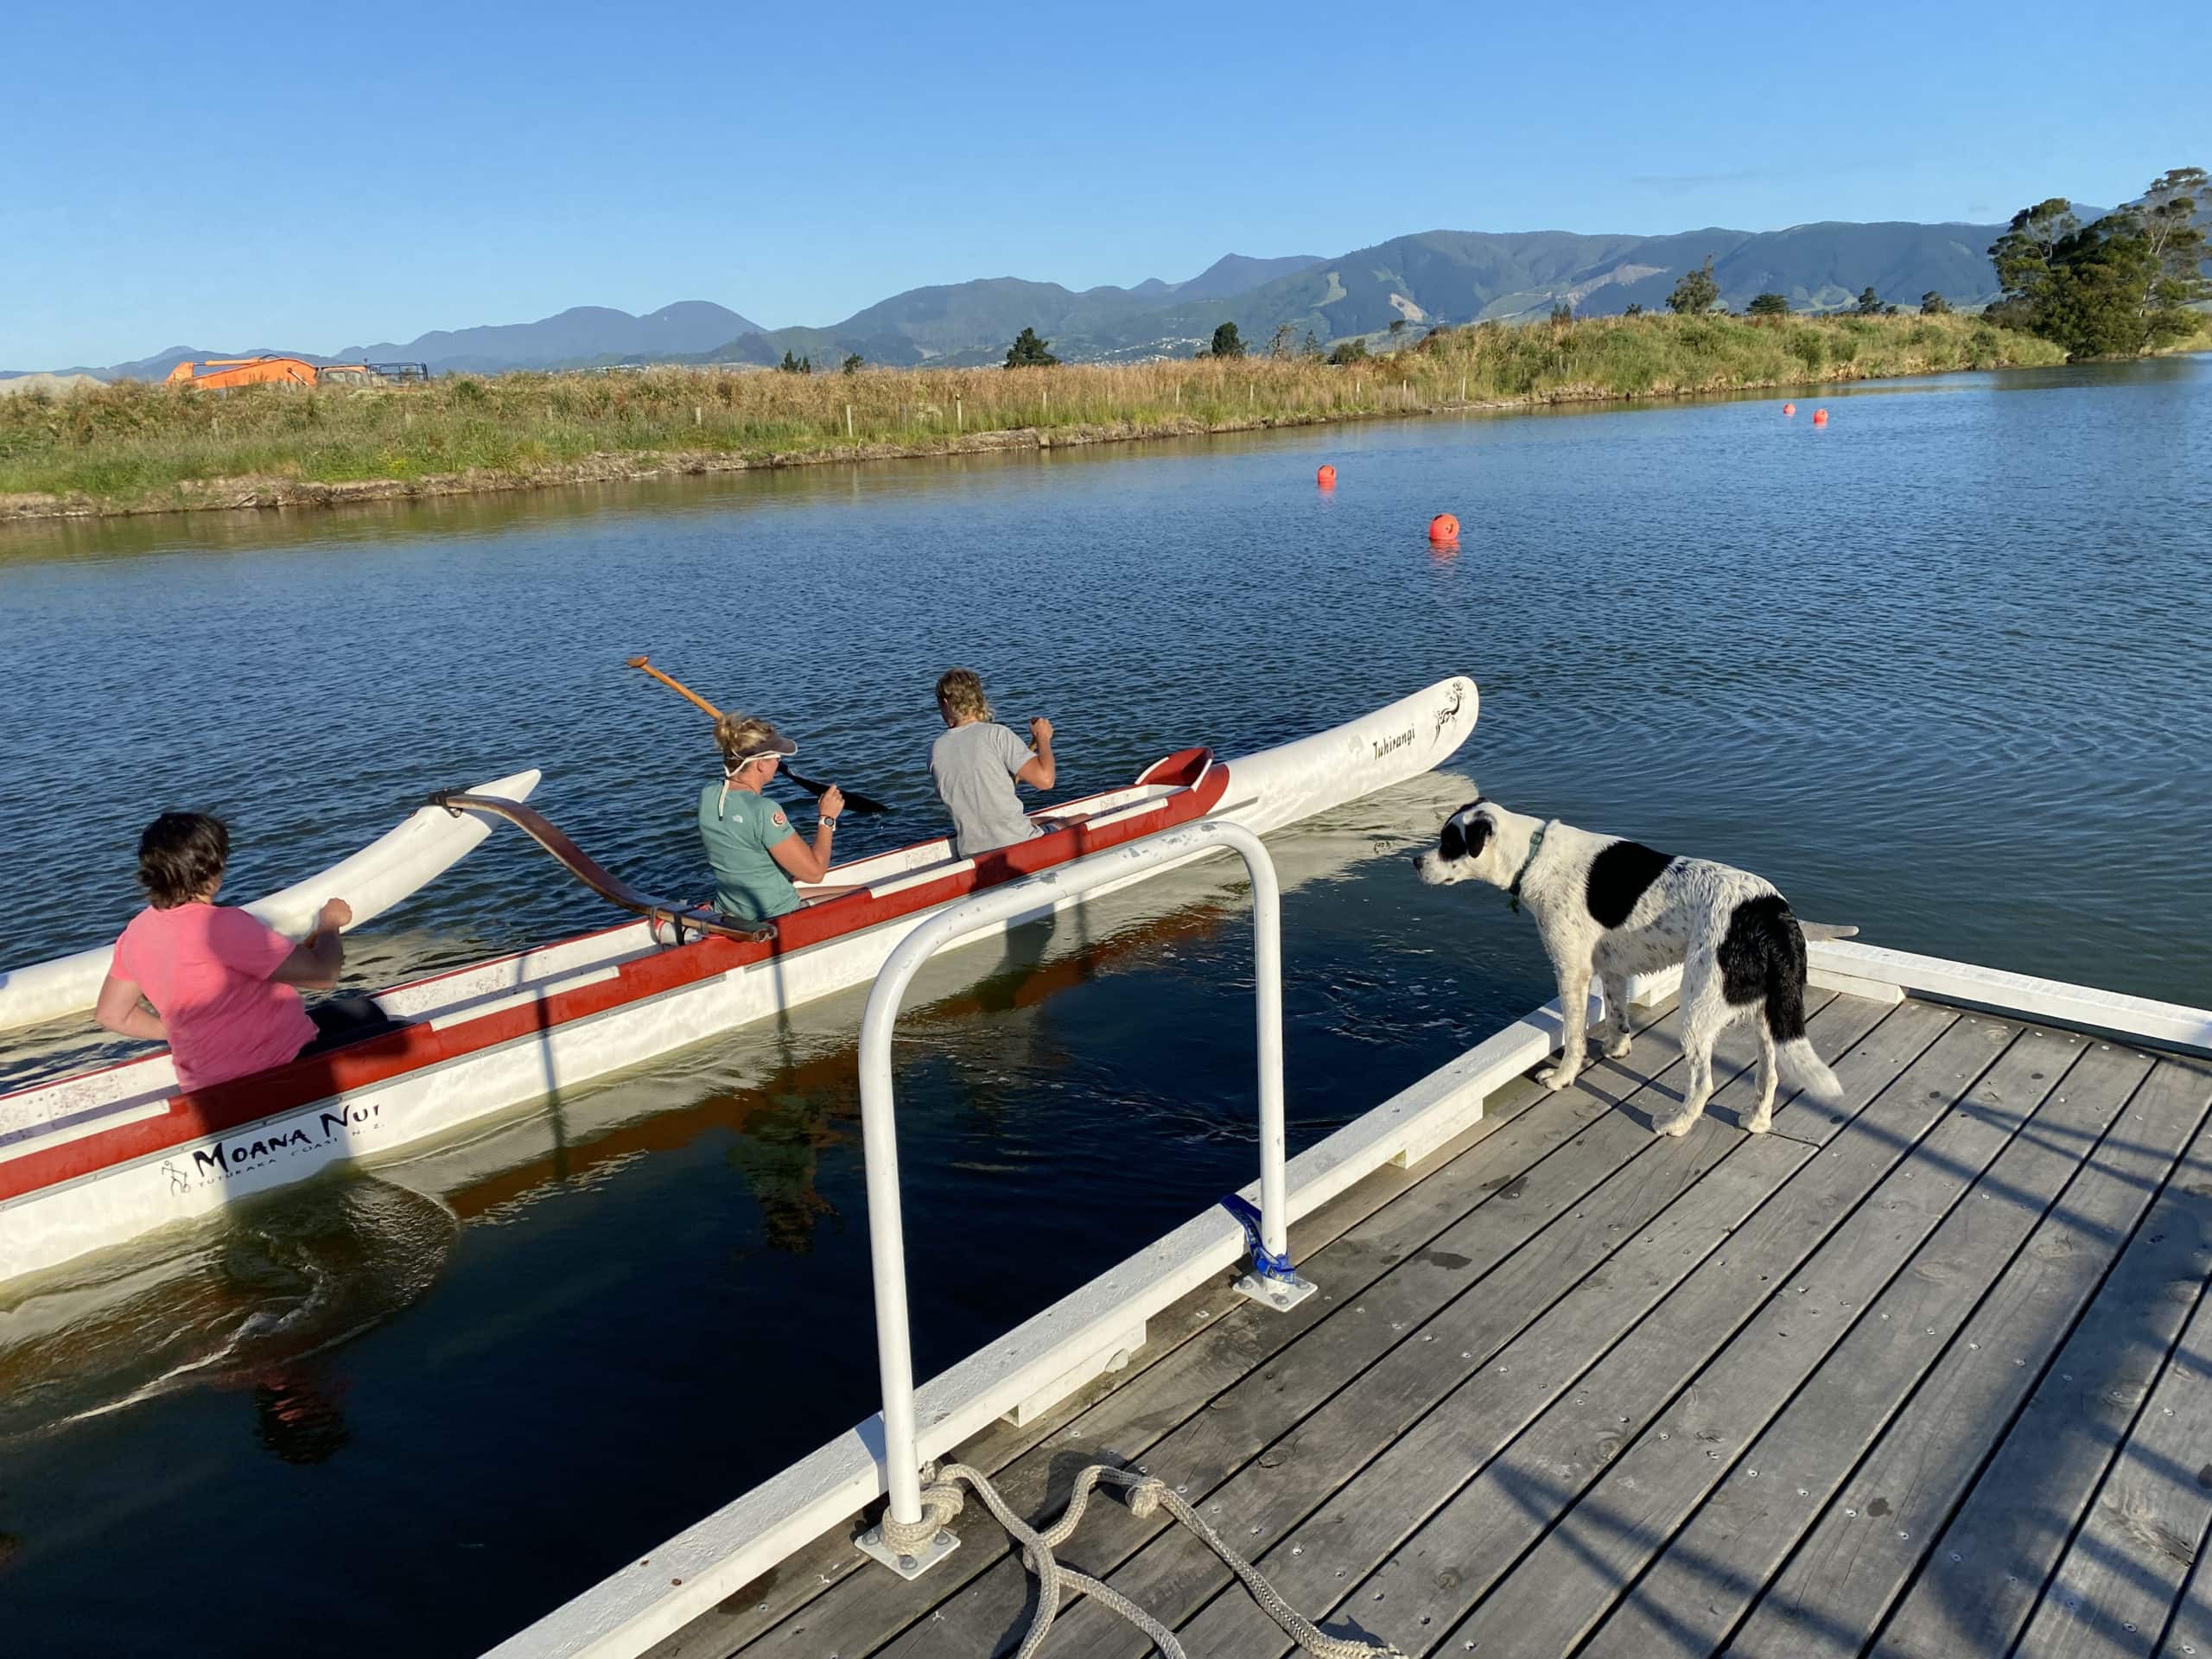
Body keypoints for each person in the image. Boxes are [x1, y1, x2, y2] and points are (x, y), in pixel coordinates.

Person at [94, 811, 377, 1091]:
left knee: (363, 1011)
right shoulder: (223, 925)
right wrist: (330, 924)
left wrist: (178, 1031)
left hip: (204, 1083)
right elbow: (324, 975)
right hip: (278, 1066)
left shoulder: (136, 932)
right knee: (390, 1032)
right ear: (210, 872)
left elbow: (112, 1015)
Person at [699, 713, 848, 925]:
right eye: (776, 757)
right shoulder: (765, 810)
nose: (779, 761)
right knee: (865, 893)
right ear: (760, 764)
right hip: (776, 913)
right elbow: (815, 875)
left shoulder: (709, 794)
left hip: (733, 909)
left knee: (853, 889)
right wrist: (827, 818)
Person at [930, 668, 1056, 858]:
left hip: (971, 852)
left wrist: (1031, 747)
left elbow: (990, 789)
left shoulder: (935, 750)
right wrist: (1043, 737)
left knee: (1045, 819)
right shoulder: (996, 734)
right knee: (1082, 819)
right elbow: (1046, 780)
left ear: (946, 703)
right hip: (1017, 844)